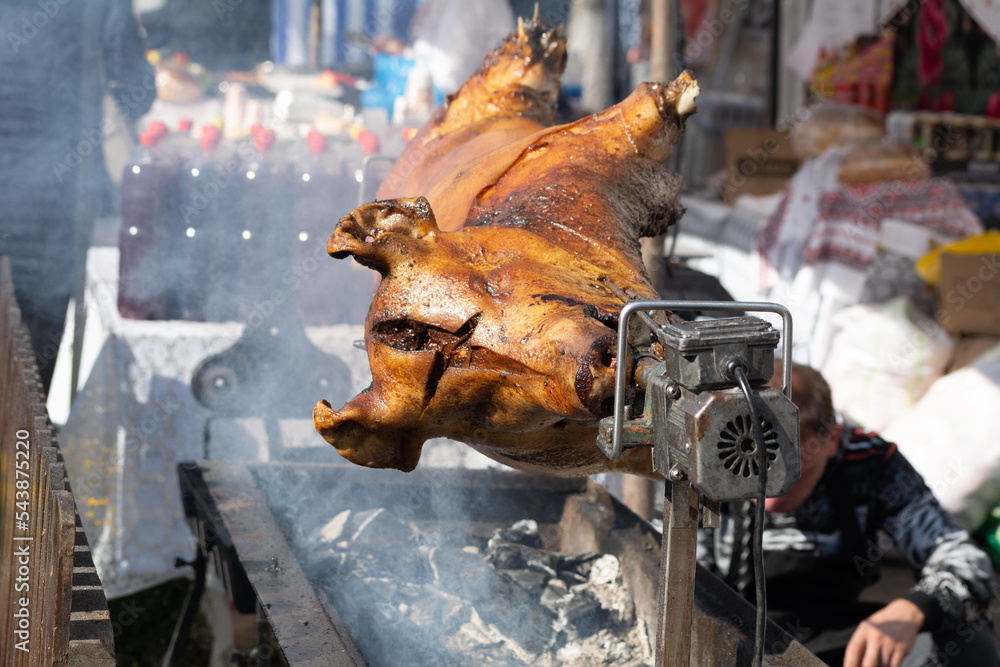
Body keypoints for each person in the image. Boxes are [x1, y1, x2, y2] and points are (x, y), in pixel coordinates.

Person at [697, 361, 998, 667]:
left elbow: (967, 563)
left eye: (795, 474)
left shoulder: (871, 465)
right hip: (727, 634)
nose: (772, 500)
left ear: (833, 439)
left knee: (968, 639)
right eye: (758, 475)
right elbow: (679, 576)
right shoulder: (706, 463)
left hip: (839, 635)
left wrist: (913, 609)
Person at [0, 0, 153, 392]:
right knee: (29, 377)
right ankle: (22, 449)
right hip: (54, 204)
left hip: (48, 200)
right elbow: (137, 91)